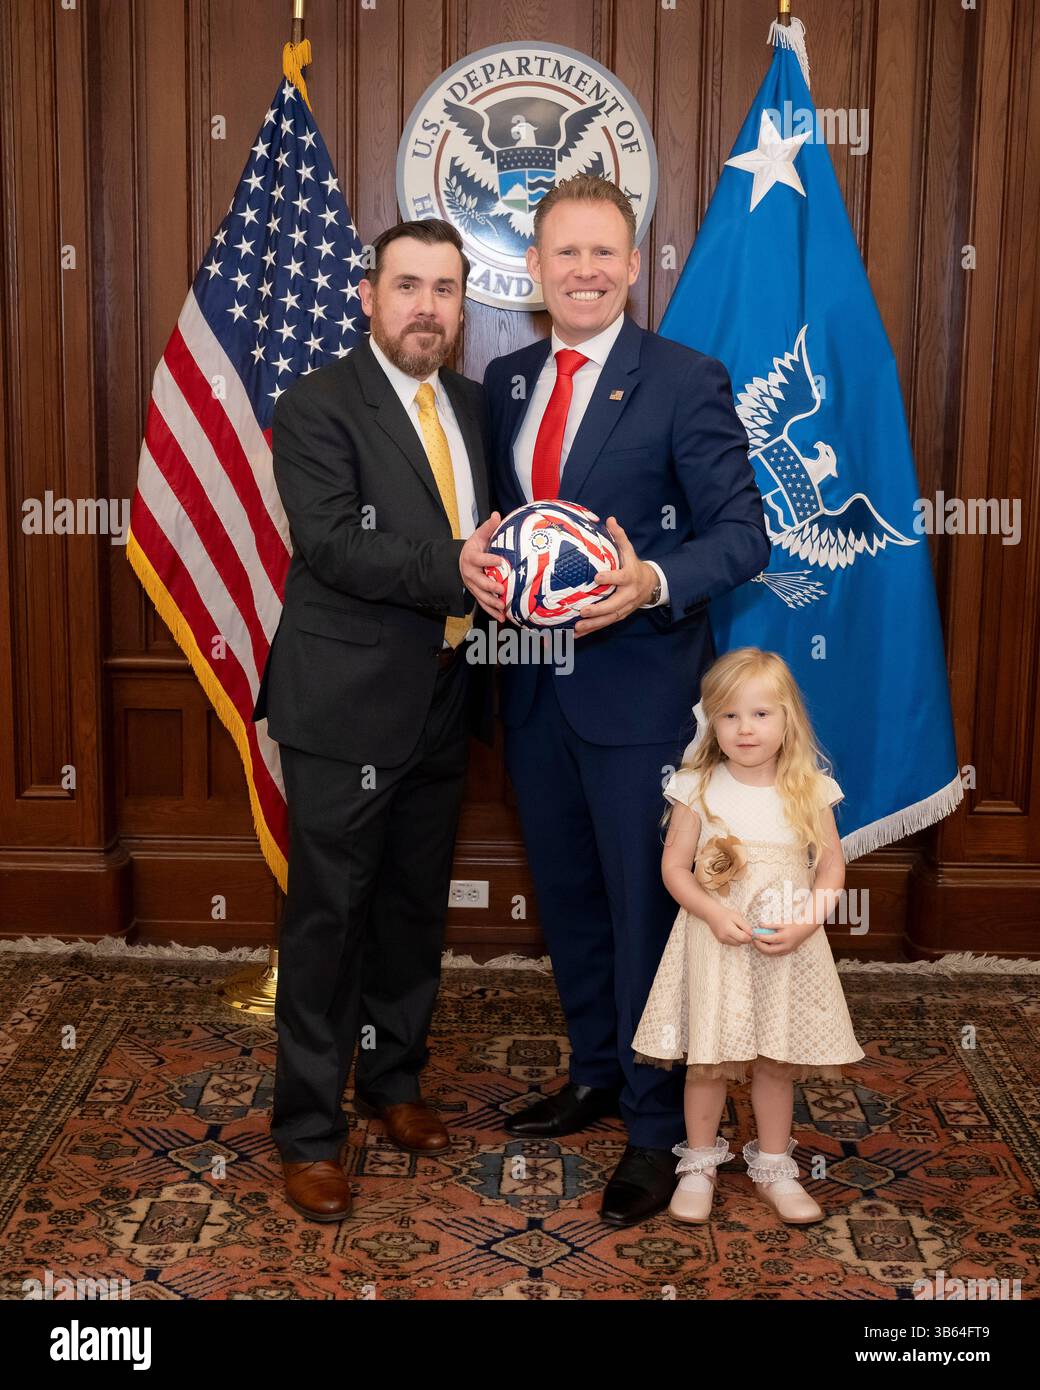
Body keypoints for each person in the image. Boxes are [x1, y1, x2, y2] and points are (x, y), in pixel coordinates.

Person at [469, 175, 771, 1226]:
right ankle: (596, 1071)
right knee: (571, 903)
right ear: (536, 271)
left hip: (640, 692)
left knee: (648, 910)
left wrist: (648, 581)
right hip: (530, 692)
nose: (585, 271)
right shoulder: (504, 380)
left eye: (604, 253)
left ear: (636, 266)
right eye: (565, 255)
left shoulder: (683, 380)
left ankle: (656, 1130)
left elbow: (743, 534)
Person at [253, 218, 499, 1222]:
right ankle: (309, 1133)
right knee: (328, 920)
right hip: (344, 704)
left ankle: (392, 1081)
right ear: (368, 294)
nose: (426, 308)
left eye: (445, 290)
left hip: (445, 693)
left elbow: (511, 536)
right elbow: (331, 546)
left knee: (410, 906)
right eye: (408, 285)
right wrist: (456, 565)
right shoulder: (316, 406)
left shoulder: (479, 410)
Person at [632, 646, 866, 1225]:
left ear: (789, 719)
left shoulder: (809, 788)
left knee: (775, 1059)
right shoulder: (697, 786)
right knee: (707, 1060)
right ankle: (699, 1165)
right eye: (730, 715)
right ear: (711, 720)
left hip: (785, 944)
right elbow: (674, 868)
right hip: (716, 943)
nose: (745, 728)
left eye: (761, 714)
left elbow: (831, 867)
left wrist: (809, 917)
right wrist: (712, 914)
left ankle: (773, 1166)